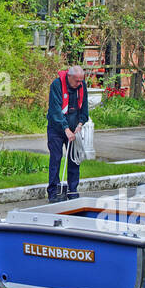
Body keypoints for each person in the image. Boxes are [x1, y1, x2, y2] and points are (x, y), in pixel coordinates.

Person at [47, 64, 90, 202]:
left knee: (74, 159)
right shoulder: (57, 85)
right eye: (76, 81)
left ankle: (72, 190)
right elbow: (55, 111)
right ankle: (54, 191)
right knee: (56, 158)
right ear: (69, 76)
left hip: (74, 128)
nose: (79, 83)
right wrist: (66, 129)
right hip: (57, 128)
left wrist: (80, 124)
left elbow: (84, 109)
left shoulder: (81, 86)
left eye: (81, 81)